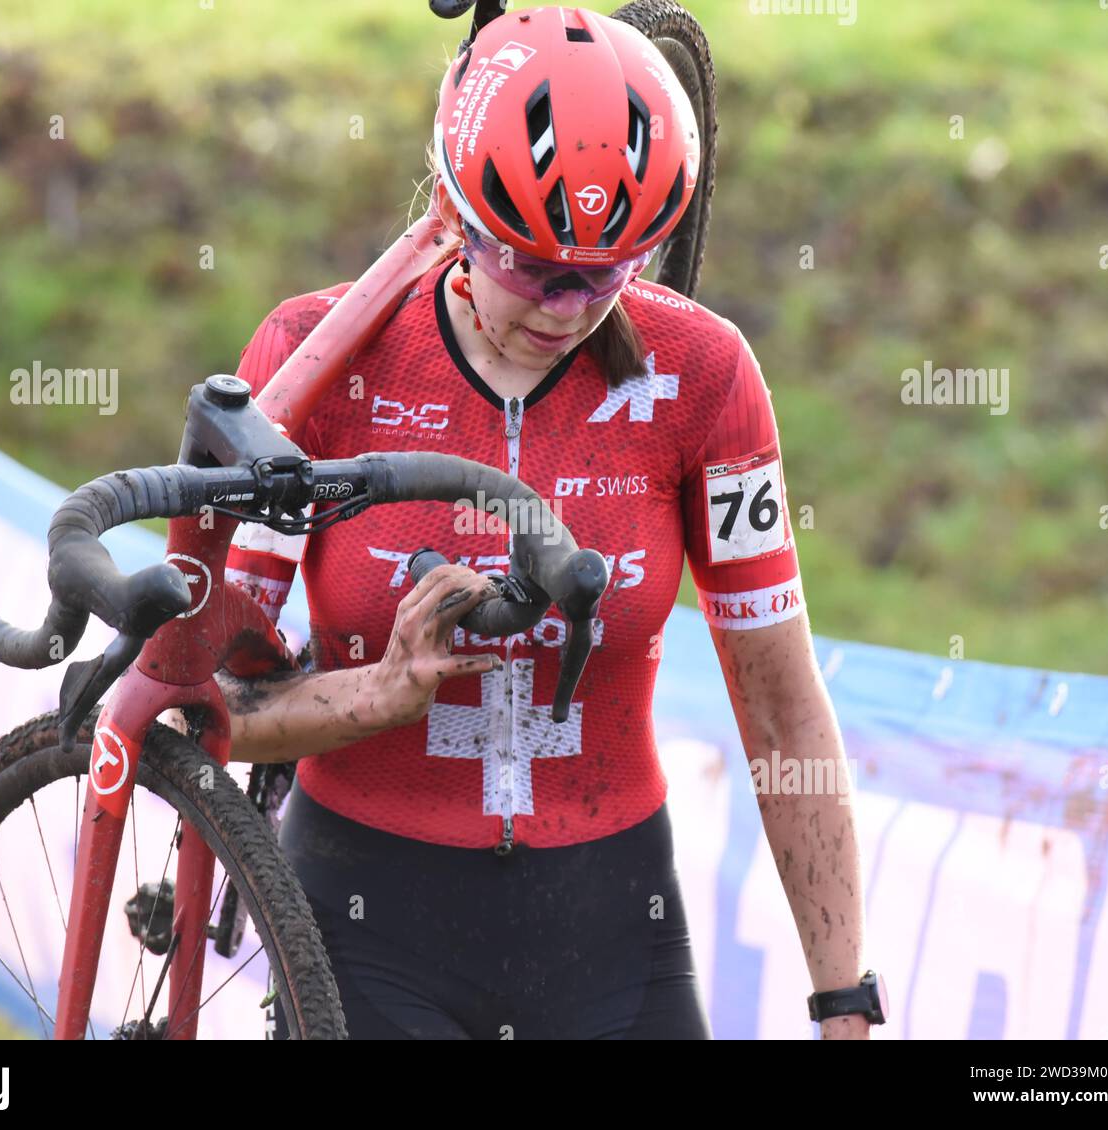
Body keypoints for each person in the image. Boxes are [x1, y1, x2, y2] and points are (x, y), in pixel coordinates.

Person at [220, 6, 869, 1040]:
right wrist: (377, 692)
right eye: (534, 266)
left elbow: (784, 711)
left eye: (610, 271)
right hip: (365, 920)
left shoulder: (702, 375)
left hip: (610, 921)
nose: (569, 307)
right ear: (451, 209)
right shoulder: (313, 356)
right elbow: (203, 707)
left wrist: (844, 997)